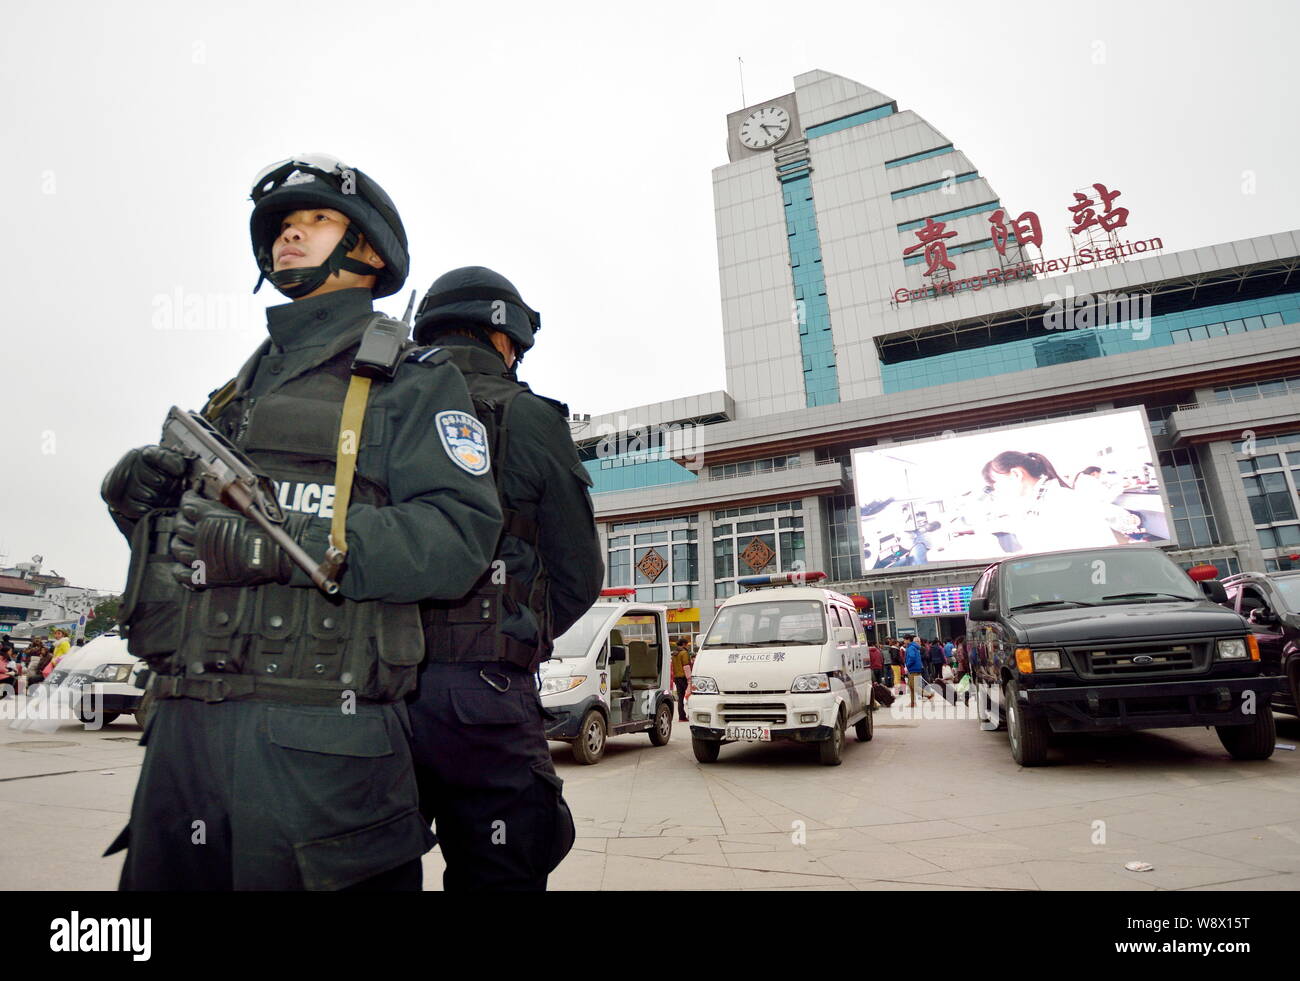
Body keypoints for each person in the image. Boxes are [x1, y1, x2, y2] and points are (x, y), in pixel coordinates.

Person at [99, 155, 503, 891]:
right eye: (284, 225)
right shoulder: (233, 397)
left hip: (319, 747)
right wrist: (138, 505)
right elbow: (191, 557)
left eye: (315, 219)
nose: (290, 235)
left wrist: (295, 548)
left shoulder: (410, 382)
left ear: (369, 251)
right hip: (184, 740)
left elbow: (459, 535)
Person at [407, 265, 603, 891]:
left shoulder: (378, 406)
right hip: (483, 694)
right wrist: (518, 631)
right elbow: (579, 575)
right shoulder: (530, 417)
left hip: (374, 695)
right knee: (504, 866)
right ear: (504, 339)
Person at [672, 638, 693, 722]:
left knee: (680, 698)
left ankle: (682, 717)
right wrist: (689, 678)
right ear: (684, 644)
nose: (687, 646)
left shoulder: (674, 654)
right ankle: (691, 715)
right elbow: (686, 666)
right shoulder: (684, 653)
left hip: (677, 677)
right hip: (684, 677)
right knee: (690, 696)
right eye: (687, 644)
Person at [904, 634, 924, 707]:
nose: (904, 641)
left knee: (914, 686)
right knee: (911, 686)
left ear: (908, 640)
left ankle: (929, 695)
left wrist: (907, 665)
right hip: (915, 668)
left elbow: (912, 658)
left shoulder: (911, 648)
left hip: (913, 668)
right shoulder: (913, 647)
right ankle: (912, 703)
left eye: (905, 640)